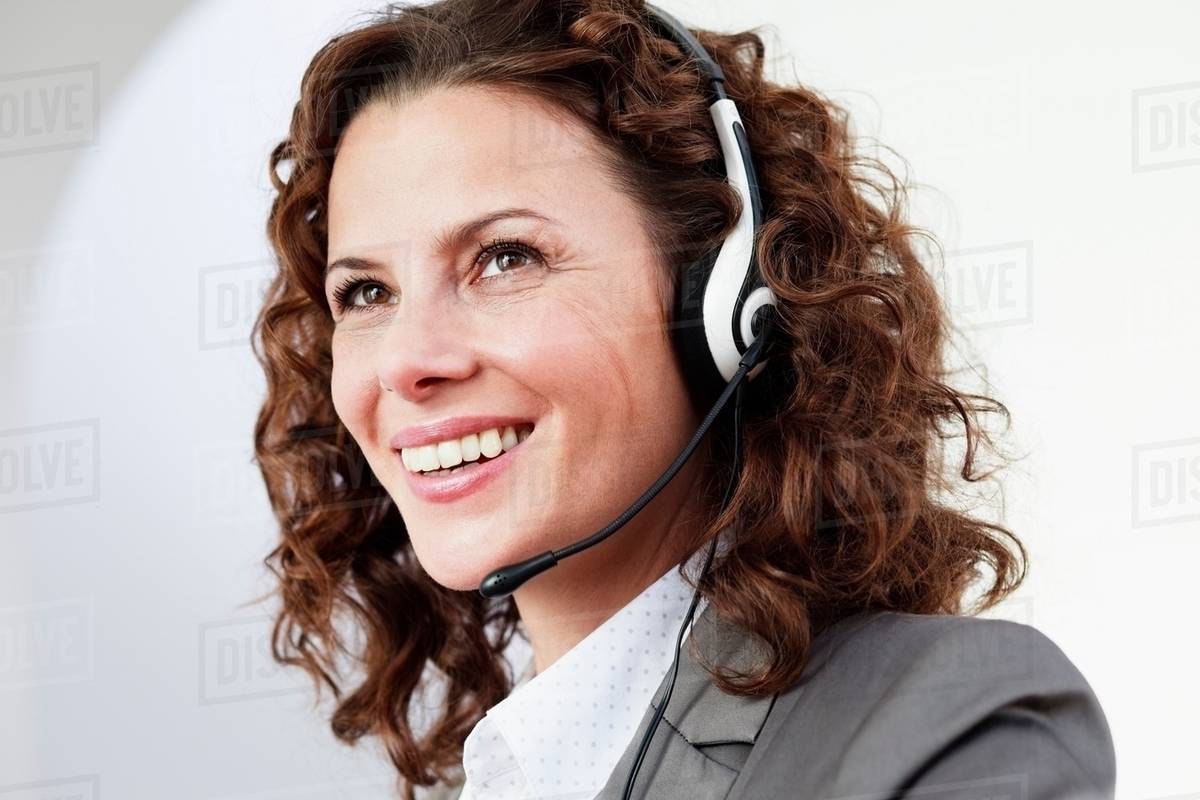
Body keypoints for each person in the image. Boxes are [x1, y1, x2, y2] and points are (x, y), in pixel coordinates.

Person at [250, 1, 1116, 798]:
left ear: (724, 302)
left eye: (507, 258)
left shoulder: (946, 723)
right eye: (366, 293)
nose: (406, 362)